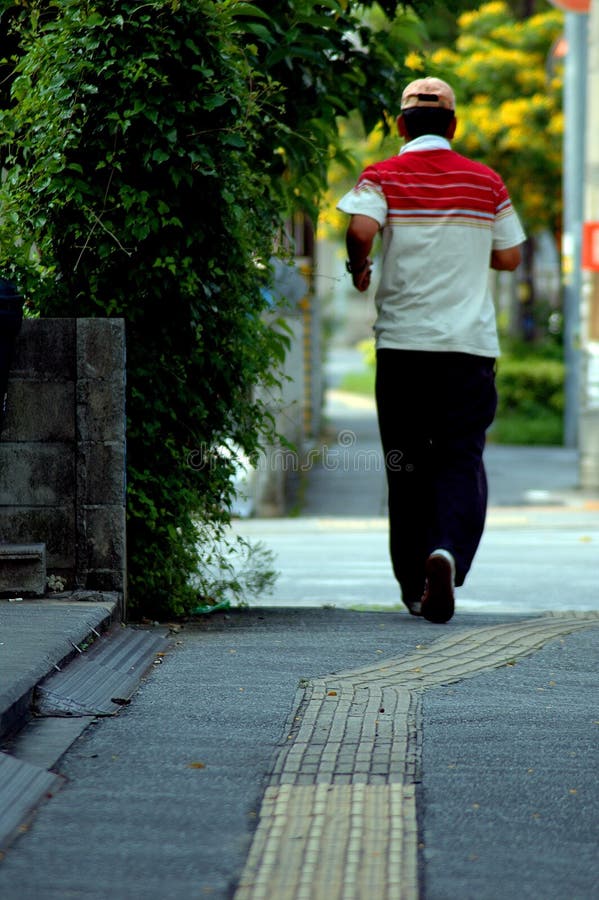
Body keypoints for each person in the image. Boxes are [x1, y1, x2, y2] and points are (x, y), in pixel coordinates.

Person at [337, 77, 525, 624]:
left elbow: (360, 230)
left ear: (400, 125)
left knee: (407, 465)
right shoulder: (485, 182)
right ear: (453, 125)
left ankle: (415, 583)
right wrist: (466, 250)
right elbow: (511, 257)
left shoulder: (382, 176)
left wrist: (360, 267)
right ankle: (448, 553)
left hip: (402, 349)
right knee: (460, 458)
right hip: (467, 351)